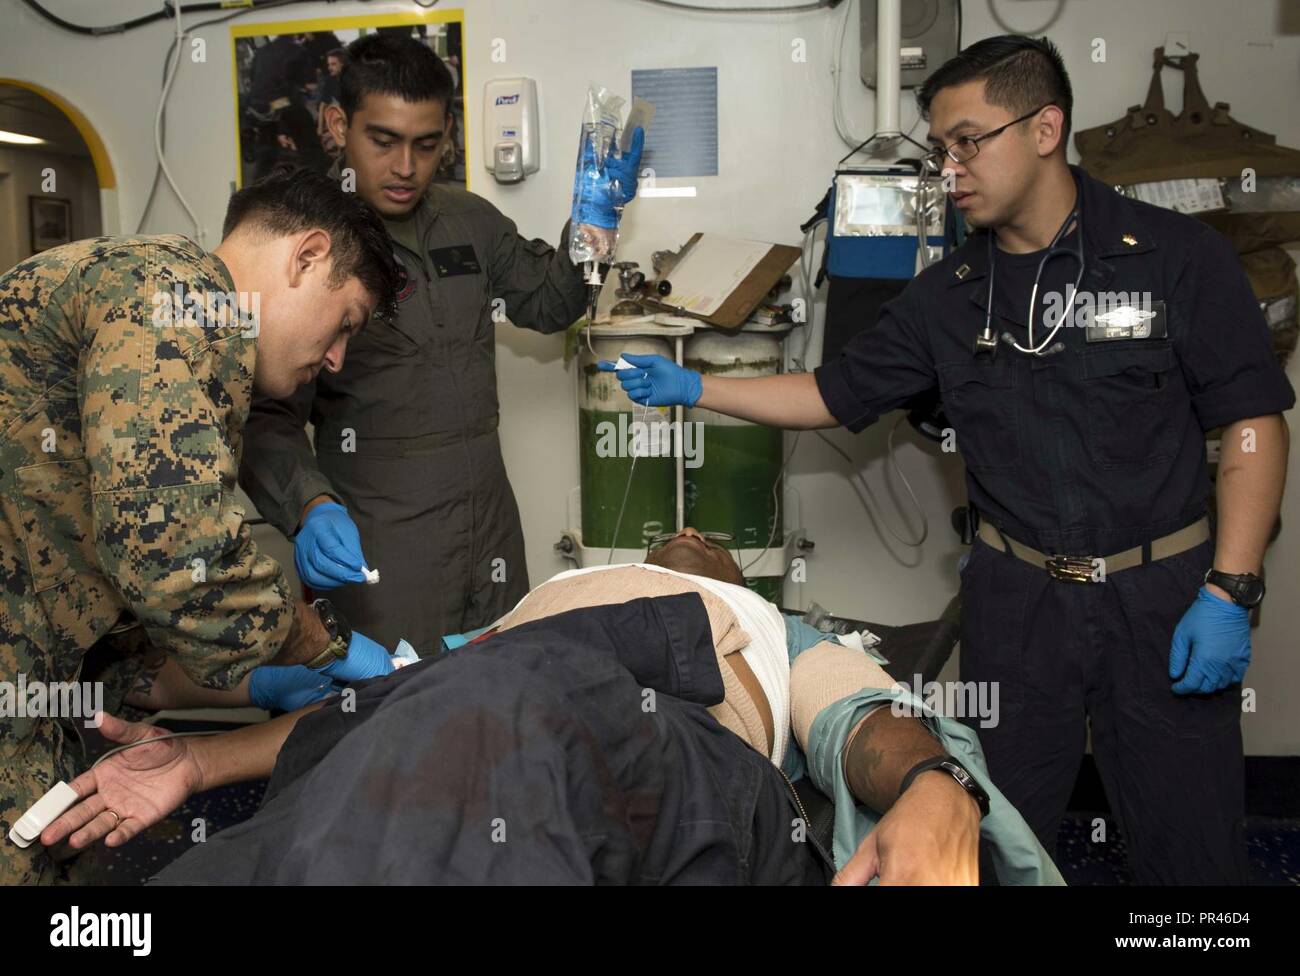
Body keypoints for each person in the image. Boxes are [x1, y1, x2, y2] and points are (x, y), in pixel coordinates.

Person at [600, 36, 1294, 884]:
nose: (950, 168)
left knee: (1191, 854)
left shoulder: (1177, 260)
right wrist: (695, 385)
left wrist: (1231, 586)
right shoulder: (949, 295)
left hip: (1162, 598)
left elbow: (1253, 425)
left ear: (1046, 128)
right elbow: (830, 393)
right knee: (988, 833)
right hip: (1018, 604)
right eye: (941, 149)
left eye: (969, 141)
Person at [39, 529, 1061, 885]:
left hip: (671, 756)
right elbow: (382, 711)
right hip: (482, 718)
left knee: (494, 700)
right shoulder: (526, 613)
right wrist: (197, 764)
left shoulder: (754, 617)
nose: (686, 535)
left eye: (703, 539)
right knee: (271, 845)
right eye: (674, 538)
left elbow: (861, 718)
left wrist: (933, 784)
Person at [0, 167, 401, 884]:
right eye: (345, 323)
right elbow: (177, 564)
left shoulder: (166, 306)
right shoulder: (177, 298)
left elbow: (95, 592)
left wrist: (259, 683)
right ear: (306, 257)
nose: (336, 358)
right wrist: (323, 645)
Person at [239, 34, 644, 655]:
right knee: (392, 712)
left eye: (426, 145)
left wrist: (592, 227)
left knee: (507, 684)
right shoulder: (302, 240)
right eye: (384, 141)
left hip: (487, 514)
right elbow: (265, 413)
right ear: (337, 124)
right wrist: (310, 505)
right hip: (381, 531)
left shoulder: (468, 220)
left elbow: (549, 302)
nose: (406, 166)